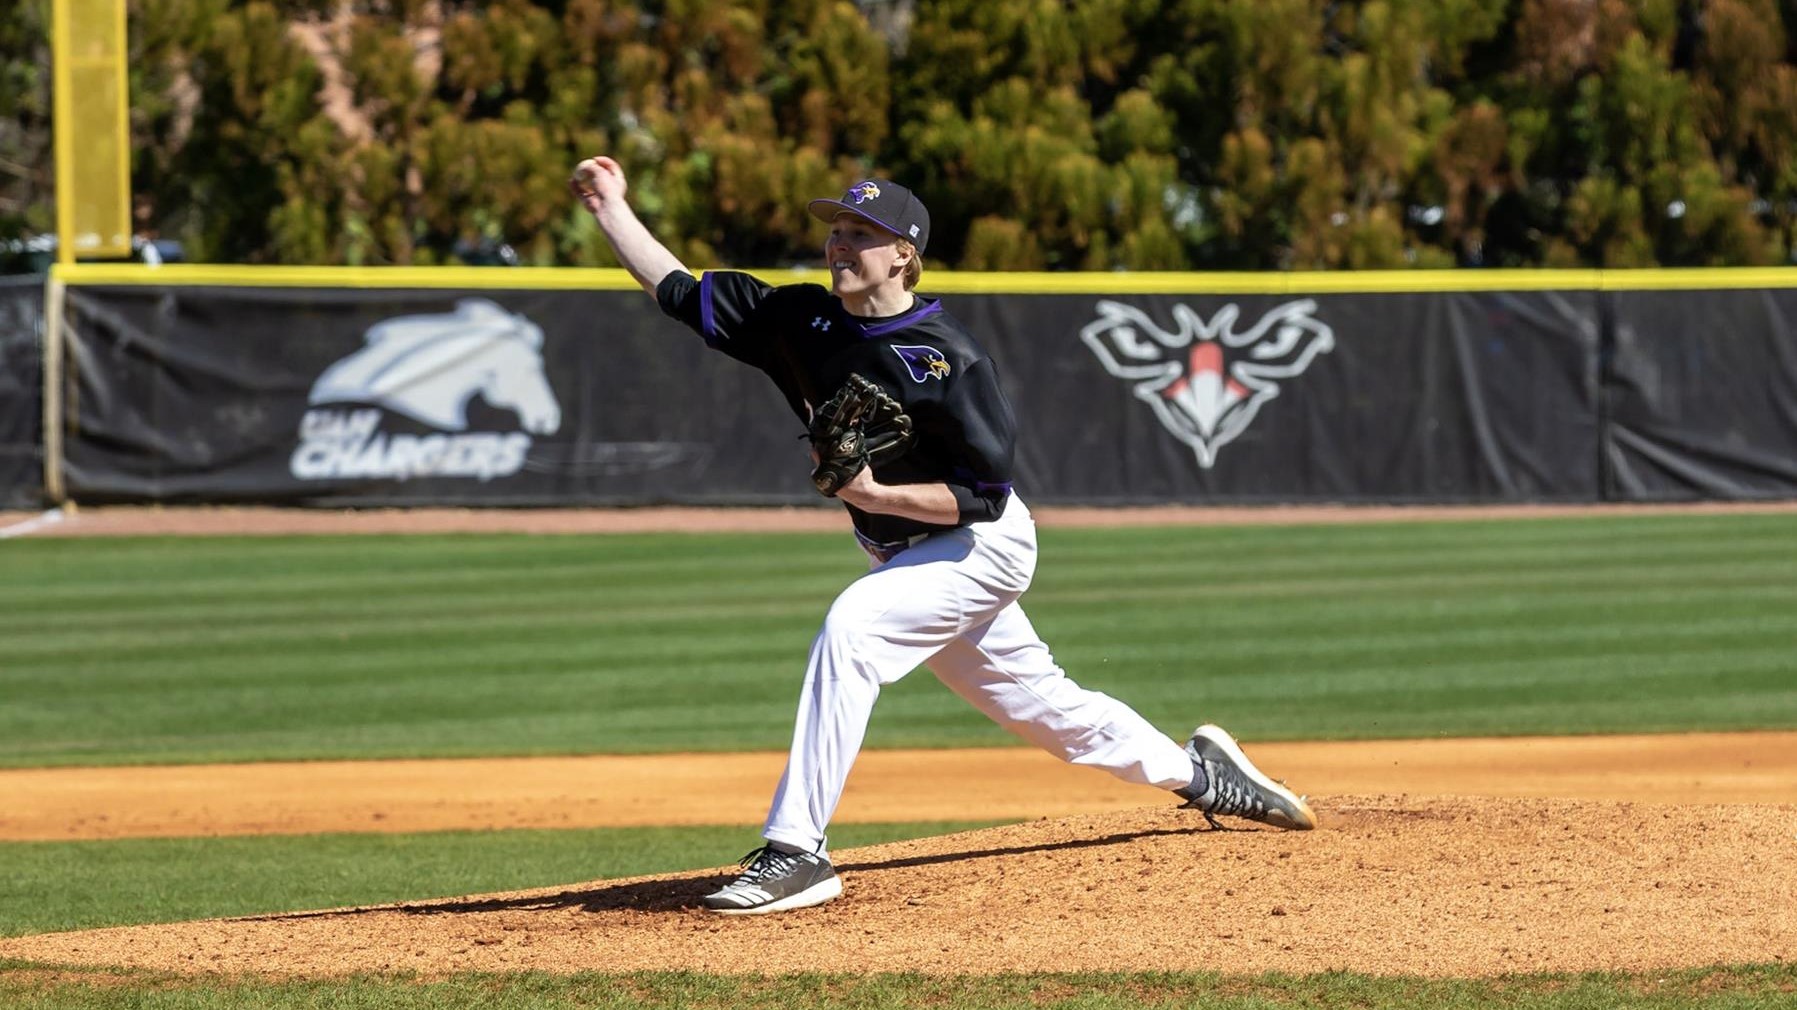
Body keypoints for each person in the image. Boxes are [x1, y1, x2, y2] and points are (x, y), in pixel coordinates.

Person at [569, 157, 1316, 916]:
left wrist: (873, 492)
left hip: (980, 547)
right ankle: (1201, 773)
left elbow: (982, 496)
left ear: (904, 253)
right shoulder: (799, 319)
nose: (839, 244)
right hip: (900, 552)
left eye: (861, 233)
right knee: (1047, 710)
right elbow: (678, 291)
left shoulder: (949, 357)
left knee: (852, 627)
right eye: (834, 230)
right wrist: (610, 211)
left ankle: (798, 851)